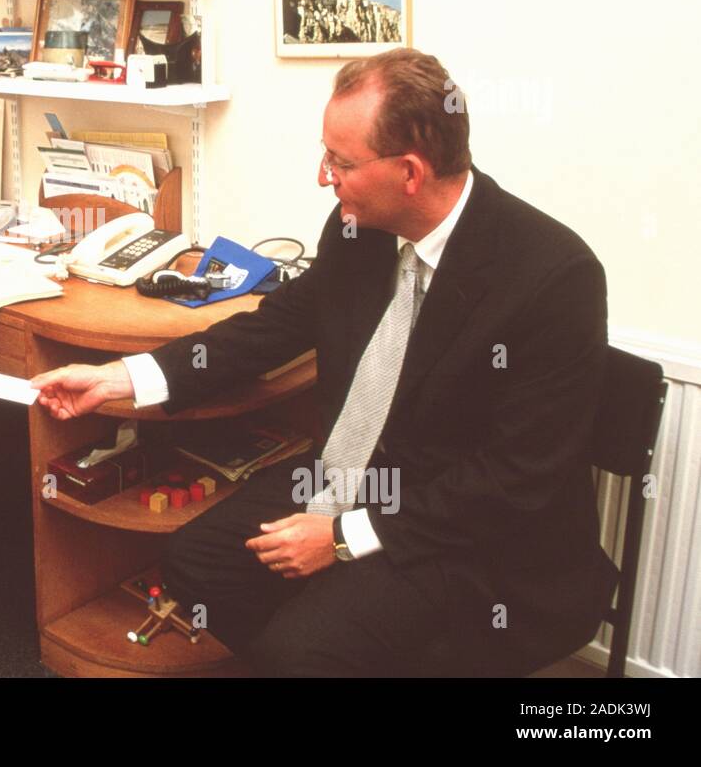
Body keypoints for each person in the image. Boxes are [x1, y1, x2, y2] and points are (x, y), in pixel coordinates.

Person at [32, 48, 616, 676]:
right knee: (195, 564)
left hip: (472, 536)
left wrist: (342, 538)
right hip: (352, 476)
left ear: (411, 173)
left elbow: (511, 483)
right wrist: (118, 379)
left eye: (339, 161)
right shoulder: (357, 229)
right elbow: (275, 327)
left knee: (299, 653)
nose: (322, 176)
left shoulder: (552, 277)